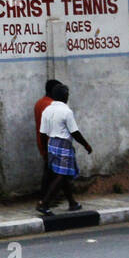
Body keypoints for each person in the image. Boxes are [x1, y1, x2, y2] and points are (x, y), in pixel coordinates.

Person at [37, 83, 93, 214]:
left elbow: (42, 133)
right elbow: (74, 132)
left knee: (62, 174)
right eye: (67, 94)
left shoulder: (47, 110)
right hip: (63, 144)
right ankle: (44, 203)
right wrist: (86, 145)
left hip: (51, 143)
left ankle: (72, 202)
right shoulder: (66, 111)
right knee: (62, 174)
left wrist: (46, 149)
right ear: (64, 96)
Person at [33, 80, 62, 200]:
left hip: (43, 141)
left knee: (51, 172)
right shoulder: (50, 105)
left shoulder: (39, 103)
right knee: (56, 174)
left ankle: (47, 198)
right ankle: (46, 199)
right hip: (52, 142)